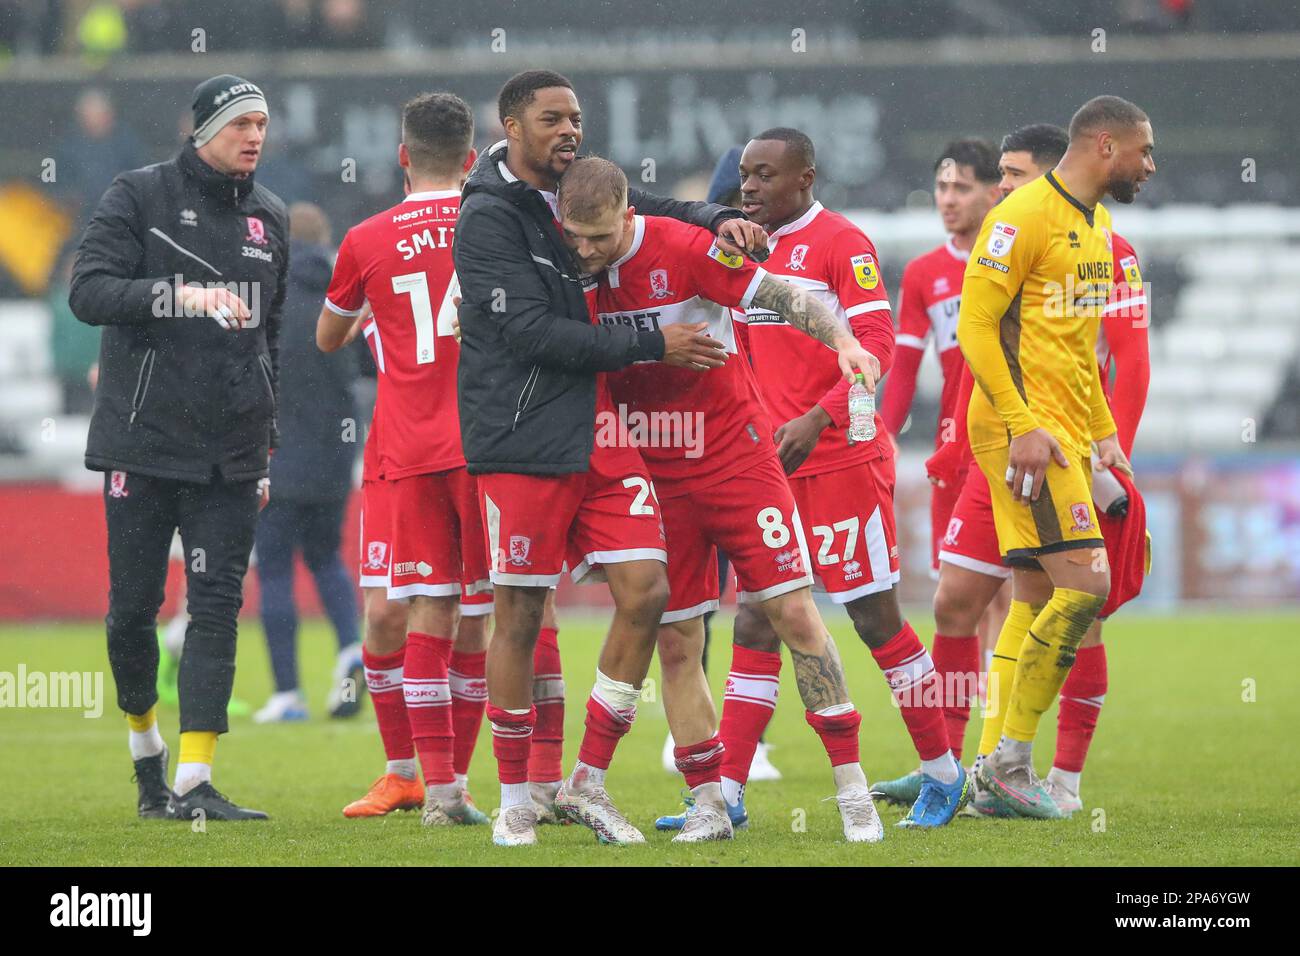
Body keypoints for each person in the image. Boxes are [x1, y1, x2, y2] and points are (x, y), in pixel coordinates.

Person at [454, 70, 766, 847]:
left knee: (649, 591)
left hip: (595, 429)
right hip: (522, 434)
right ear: (512, 127)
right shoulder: (487, 218)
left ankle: (588, 781)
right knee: (520, 613)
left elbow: (650, 212)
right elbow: (531, 335)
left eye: (577, 119)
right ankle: (518, 798)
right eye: (553, 119)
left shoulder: (577, 189)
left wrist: (720, 214)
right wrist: (652, 342)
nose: (570, 131)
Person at [558, 157, 882, 843]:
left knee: (794, 612)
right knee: (678, 641)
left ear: (627, 213)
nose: (585, 250)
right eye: (575, 237)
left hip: (735, 459)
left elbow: (784, 296)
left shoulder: (681, 247)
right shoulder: (565, 269)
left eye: (599, 237)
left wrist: (844, 341)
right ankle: (708, 801)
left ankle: (853, 789)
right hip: (651, 474)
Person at [664, 128, 970, 831]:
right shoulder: (739, 249)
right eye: (744, 175)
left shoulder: (841, 244)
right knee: (754, 620)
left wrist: (818, 419)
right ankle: (728, 794)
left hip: (840, 463)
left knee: (874, 619)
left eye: (766, 175)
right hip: (764, 469)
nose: (750, 188)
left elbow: (880, 348)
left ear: (806, 178)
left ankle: (942, 772)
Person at [69, 74, 288, 821]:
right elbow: (89, 291)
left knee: (216, 610)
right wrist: (179, 293)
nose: (254, 136)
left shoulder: (272, 217)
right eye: (239, 124)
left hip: (231, 454)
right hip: (144, 442)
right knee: (132, 613)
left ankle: (195, 779)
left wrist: (269, 443)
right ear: (201, 130)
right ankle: (147, 756)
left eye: (261, 123)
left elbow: (274, 341)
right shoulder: (138, 195)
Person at [957, 96, 1152, 818]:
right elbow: (976, 327)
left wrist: (1105, 435)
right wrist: (1021, 424)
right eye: (1144, 151)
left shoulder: (1097, 224)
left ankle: (990, 771)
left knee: (1035, 598)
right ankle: (1010, 765)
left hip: (1066, 429)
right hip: (1022, 431)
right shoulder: (1022, 216)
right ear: (1106, 145)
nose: (1150, 166)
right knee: (1086, 587)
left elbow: (1075, 351)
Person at [318, 92, 494, 826]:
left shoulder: (365, 238)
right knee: (469, 617)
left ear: (400, 156)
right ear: (473, 159)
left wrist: (368, 312)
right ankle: (414, 778)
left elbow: (328, 337)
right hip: (486, 448)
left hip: (409, 447)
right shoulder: (502, 228)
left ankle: (440, 783)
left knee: (408, 611)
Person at [869, 139, 1007, 798]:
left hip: (1013, 448)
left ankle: (1000, 759)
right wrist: (881, 435)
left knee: (1010, 603)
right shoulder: (925, 273)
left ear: (993, 193)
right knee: (958, 605)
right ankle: (950, 764)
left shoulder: (1017, 259)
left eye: (961, 188)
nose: (948, 201)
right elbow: (902, 368)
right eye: (940, 190)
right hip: (956, 455)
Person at [252, 202, 363, 724]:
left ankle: (288, 694)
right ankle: (350, 652)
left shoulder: (266, 300)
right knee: (327, 560)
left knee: (274, 571)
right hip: (335, 458)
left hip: (275, 454)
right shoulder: (345, 299)